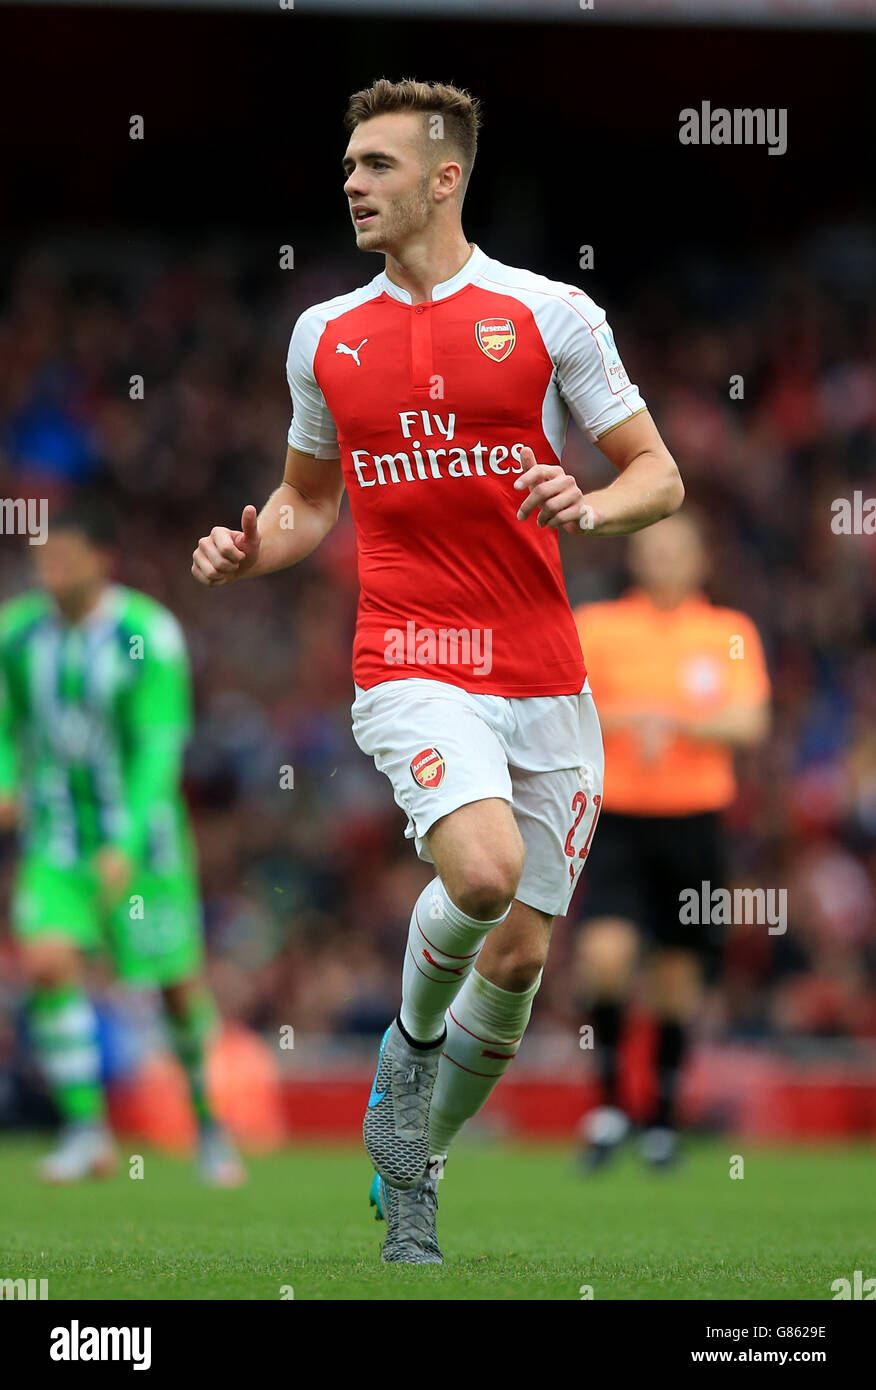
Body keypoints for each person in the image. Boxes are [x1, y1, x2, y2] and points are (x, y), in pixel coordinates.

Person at [191, 78, 683, 1261]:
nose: (352, 184)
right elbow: (310, 502)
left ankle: (421, 1156)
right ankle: (406, 1067)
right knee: (480, 875)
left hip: (546, 676)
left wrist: (594, 504)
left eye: (375, 166)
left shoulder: (549, 312)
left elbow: (657, 474)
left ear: (443, 175)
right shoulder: (327, 335)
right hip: (413, 655)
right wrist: (254, 547)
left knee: (516, 957)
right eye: (349, 165)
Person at [0, 495, 245, 1186]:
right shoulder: (17, 635)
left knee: (174, 986)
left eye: (64, 558)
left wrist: (127, 839)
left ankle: (208, 1128)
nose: (49, 569)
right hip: (56, 839)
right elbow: (4, 722)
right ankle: (86, 1132)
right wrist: (7, 779)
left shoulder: (148, 634)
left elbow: (159, 748)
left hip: (147, 845)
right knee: (47, 962)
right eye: (42, 556)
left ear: (102, 560)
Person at [572, 512, 770, 1170]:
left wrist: (676, 723)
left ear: (699, 560)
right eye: (652, 549)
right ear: (635, 557)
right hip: (616, 818)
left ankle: (660, 1120)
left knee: (678, 976)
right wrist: (638, 719)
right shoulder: (599, 626)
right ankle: (607, 1109)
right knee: (605, 954)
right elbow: (564, 705)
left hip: (695, 821)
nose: (663, 560)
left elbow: (749, 721)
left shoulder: (727, 633)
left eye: (676, 550)